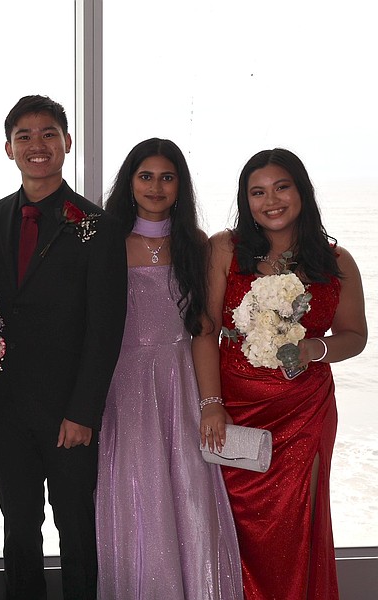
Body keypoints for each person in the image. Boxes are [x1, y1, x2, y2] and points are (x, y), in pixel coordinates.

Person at [194, 148, 368, 599]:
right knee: (235, 528)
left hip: (304, 416)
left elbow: (355, 336)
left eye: (281, 187)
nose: (270, 200)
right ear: (246, 200)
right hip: (235, 412)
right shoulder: (225, 249)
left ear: (301, 192)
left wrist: (314, 349)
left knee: (297, 527)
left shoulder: (336, 261)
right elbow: (205, 331)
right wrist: (211, 405)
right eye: (258, 192)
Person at [0, 94, 127, 599]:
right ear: (8, 148)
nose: (36, 145)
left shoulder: (97, 225)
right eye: (24, 136)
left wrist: (83, 412)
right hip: (5, 407)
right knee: (19, 527)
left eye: (48, 134)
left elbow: (105, 328)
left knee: (77, 527)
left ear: (67, 143)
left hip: (68, 412)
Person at [97, 138, 243, 599]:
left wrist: (211, 402)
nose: (156, 187)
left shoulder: (196, 243)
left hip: (182, 380)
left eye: (167, 177)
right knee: (136, 492)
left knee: (190, 494)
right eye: (146, 176)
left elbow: (204, 327)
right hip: (124, 381)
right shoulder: (107, 242)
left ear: (181, 185)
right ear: (129, 182)